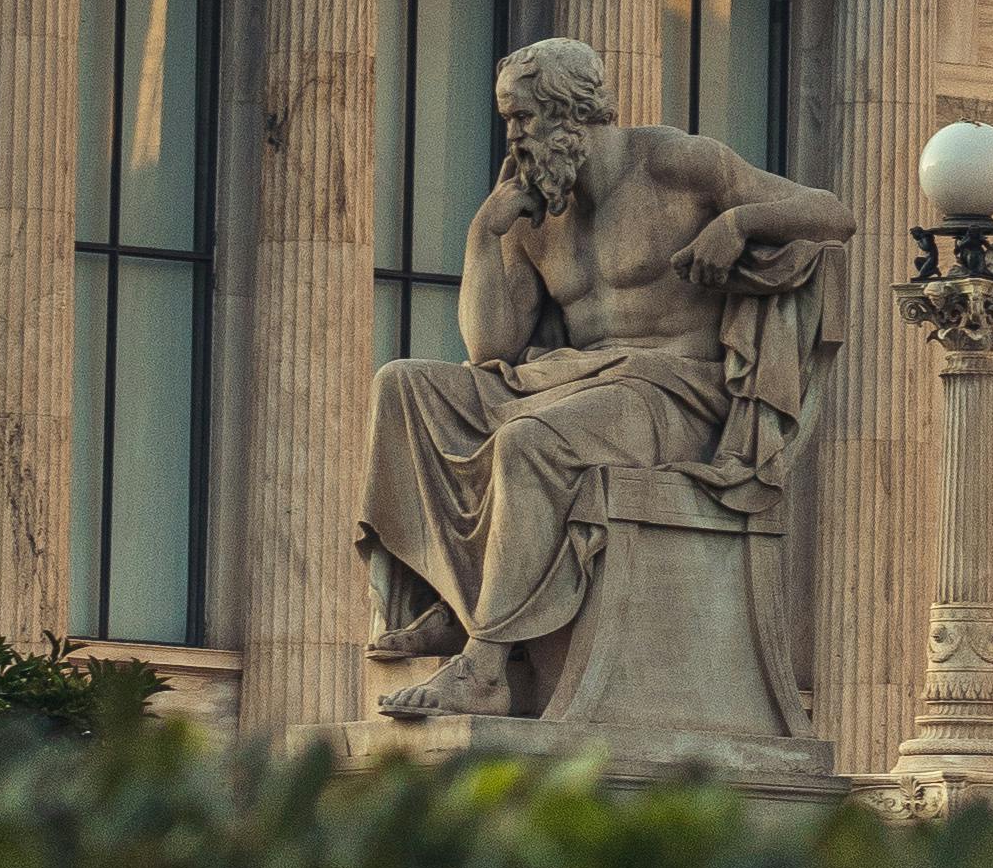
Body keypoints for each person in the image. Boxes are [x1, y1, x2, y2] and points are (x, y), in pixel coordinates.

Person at [363, 40, 852, 733]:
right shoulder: (538, 210)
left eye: (524, 118)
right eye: (510, 121)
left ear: (572, 116)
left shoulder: (679, 165)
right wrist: (485, 231)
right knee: (402, 387)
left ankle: (486, 665)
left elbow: (833, 214)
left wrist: (738, 223)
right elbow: (491, 348)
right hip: (577, 386)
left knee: (527, 444)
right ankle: (453, 596)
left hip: (678, 393)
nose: (515, 137)